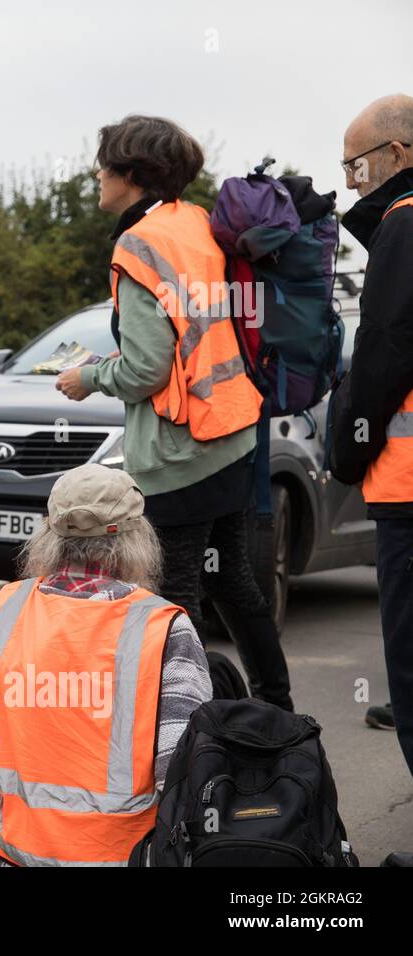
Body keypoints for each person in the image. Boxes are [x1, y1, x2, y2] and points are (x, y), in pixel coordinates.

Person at [54, 114, 293, 711]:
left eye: (104, 164)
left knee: (174, 596)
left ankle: (185, 732)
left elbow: (145, 373)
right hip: (232, 433)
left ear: (131, 176)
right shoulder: (195, 223)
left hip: (179, 452)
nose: (96, 174)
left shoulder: (137, 246)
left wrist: (88, 378)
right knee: (233, 579)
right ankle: (275, 706)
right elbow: (186, 335)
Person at [0, 464, 213, 866]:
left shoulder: (0, 613)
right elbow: (182, 772)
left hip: (13, 854)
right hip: (129, 858)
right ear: (138, 538)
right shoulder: (164, 627)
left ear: (48, 534)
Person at [329, 94, 413, 764]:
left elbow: (382, 353)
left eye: (356, 166)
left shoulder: (406, 225)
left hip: (409, 490)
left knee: (410, 669)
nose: (351, 180)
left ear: (398, 154)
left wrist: (349, 452)